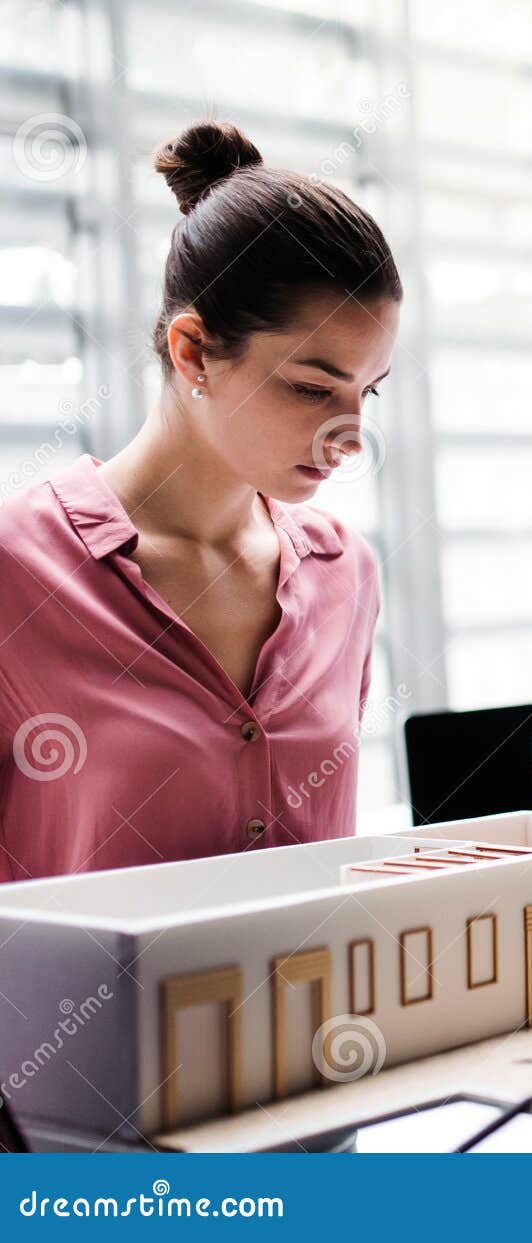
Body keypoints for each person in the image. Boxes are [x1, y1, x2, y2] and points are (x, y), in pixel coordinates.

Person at [0, 121, 399, 881]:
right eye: (313, 388)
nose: (350, 436)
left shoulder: (346, 573)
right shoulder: (15, 570)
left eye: (366, 390)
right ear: (193, 352)